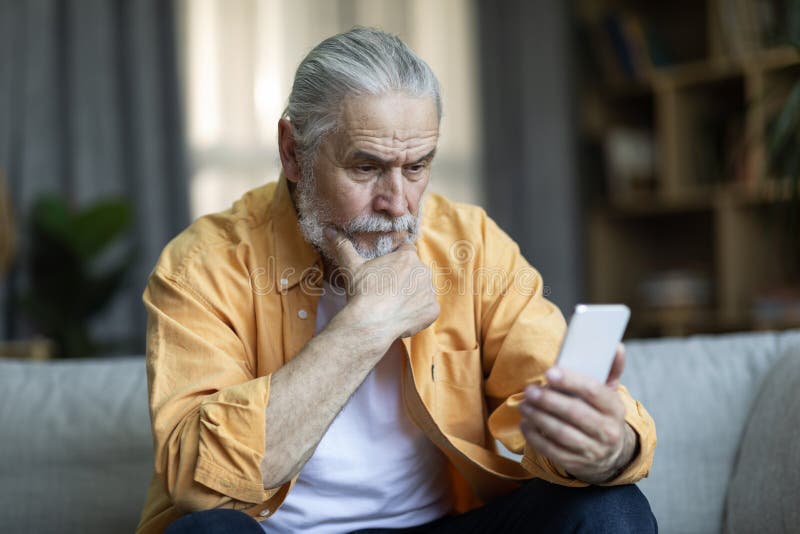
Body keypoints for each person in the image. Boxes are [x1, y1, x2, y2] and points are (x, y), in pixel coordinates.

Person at [137, 27, 657, 534]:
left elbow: (546, 388)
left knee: (610, 506)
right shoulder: (202, 264)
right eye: (366, 168)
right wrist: (366, 325)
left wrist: (608, 446)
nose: (397, 203)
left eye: (416, 167)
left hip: (437, 524)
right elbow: (198, 483)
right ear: (293, 152)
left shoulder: (470, 244)